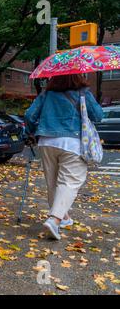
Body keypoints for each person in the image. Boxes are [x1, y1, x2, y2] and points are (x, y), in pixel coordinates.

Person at [25, 74, 103, 240]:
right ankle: (54, 220)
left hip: (46, 141)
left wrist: (30, 131)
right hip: (72, 142)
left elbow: (29, 115)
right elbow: (98, 116)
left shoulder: (46, 94)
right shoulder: (82, 93)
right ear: (77, 76)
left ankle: (64, 218)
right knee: (70, 181)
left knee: (52, 182)